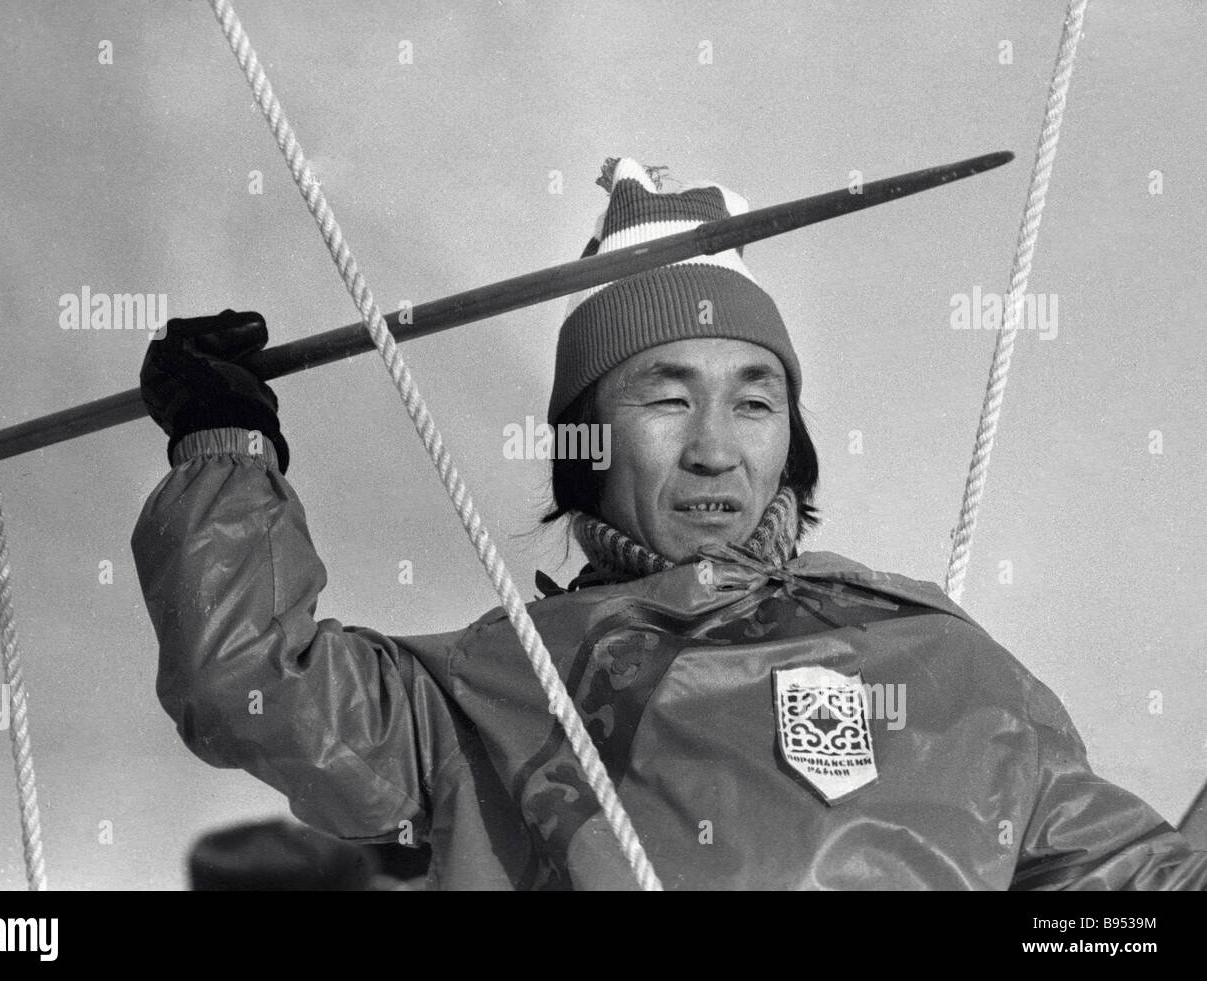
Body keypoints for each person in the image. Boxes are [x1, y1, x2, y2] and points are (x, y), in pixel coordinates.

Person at [132, 157, 1207, 889]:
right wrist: (227, 442)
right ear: (584, 440)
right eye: (662, 396)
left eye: (753, 399)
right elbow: (248, 685)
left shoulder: (942, 658)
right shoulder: (488, 693)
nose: (714, 445)